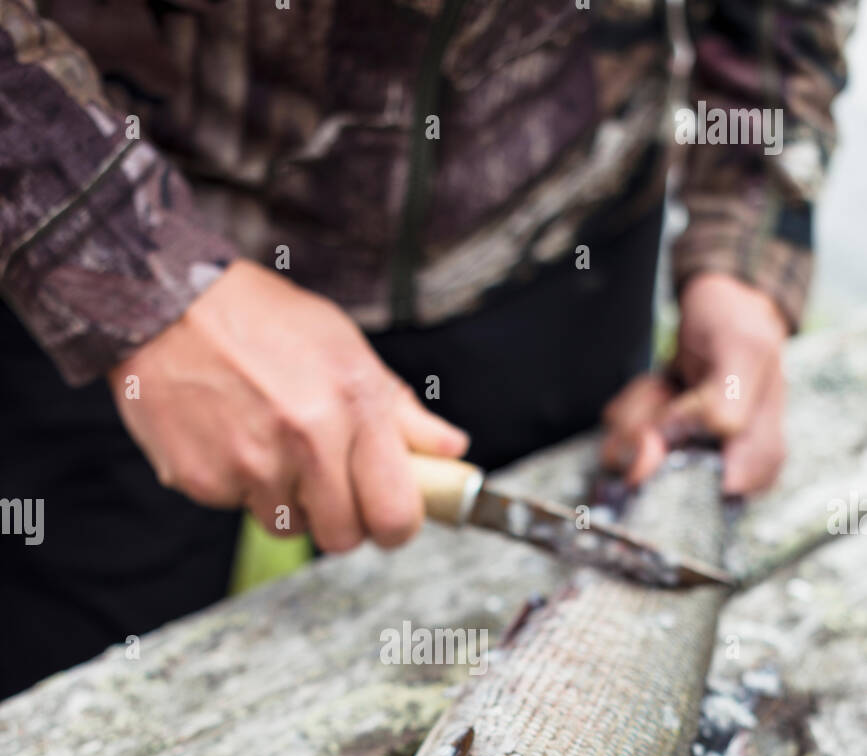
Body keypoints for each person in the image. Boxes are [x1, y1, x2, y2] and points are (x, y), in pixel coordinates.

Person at [0, 1, 854, 698]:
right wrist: (131, 274)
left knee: (510, 651)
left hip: (555, 245)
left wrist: (742, 251)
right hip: (99, 253)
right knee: (76, 689)